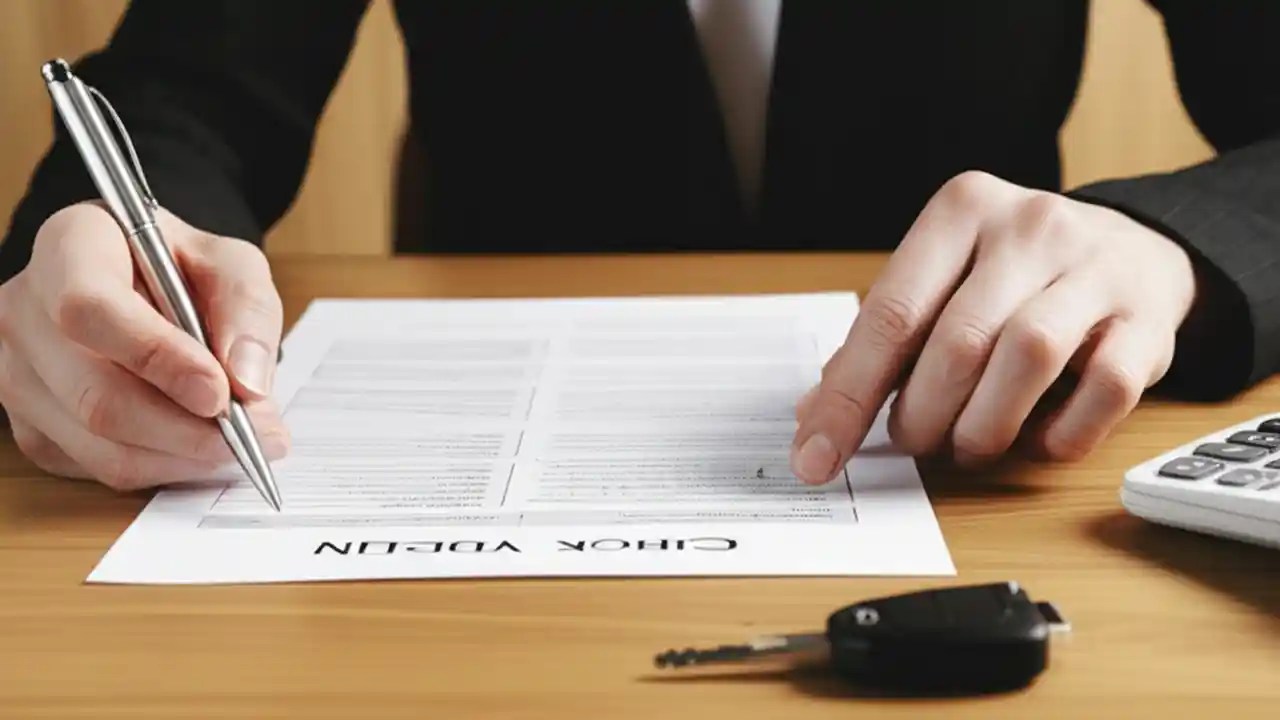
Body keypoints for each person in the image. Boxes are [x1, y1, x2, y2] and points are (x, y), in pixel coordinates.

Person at [0, 1, 1277, 492]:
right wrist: (105, 242)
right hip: (474, 585)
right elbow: (187, 90)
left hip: (977, 455)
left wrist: (1162, 247)